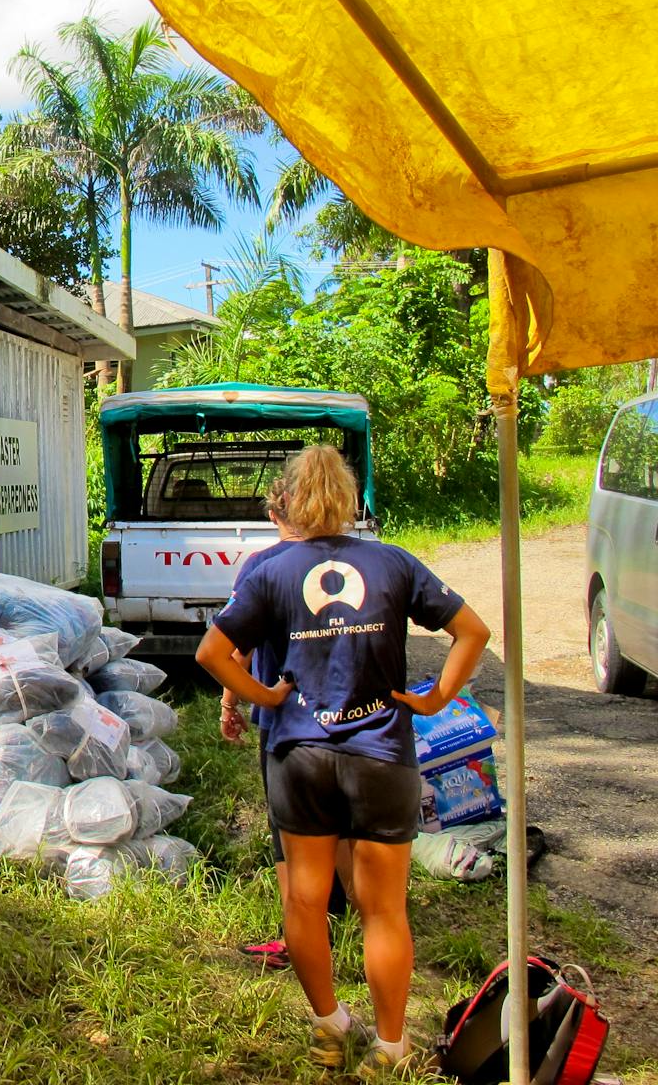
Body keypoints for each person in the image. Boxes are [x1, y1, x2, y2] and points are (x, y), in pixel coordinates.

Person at [195, 445, 490, 1075]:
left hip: (300, 756)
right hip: (382, 753)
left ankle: (330, 1025)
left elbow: (212, 653)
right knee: (384, 908)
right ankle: (391, 1046)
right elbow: (473, 631)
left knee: (304, 901)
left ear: (292, 499)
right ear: (353, 500)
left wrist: (262, 695)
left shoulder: (269, 569)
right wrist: (438, 697)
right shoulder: (394, 563)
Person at [222, 478, 356, 971]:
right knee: (344, 822)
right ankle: (360, 922)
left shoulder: (263, 567)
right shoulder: (359, 560)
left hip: (287, 719)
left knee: (291, 830)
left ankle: (298, 935)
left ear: (275, 514)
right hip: (352, 714)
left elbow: (236, 648)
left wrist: (231, 702)